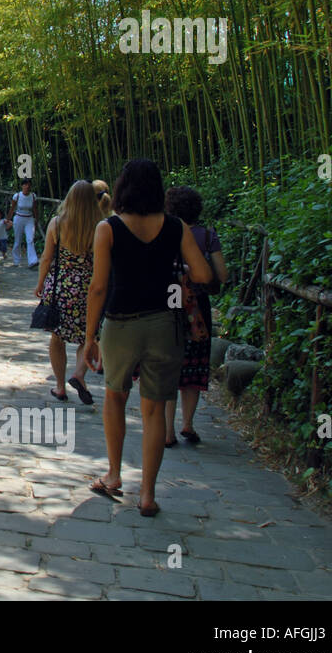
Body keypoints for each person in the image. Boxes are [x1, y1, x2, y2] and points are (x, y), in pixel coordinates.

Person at [83, 159, 213, 517]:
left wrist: (90, 336)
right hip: (164, 325)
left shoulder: (107, 229)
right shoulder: (176, 227)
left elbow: (97, 288)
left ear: (123, 188)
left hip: (121, 323)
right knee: (154, 408)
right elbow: (203, 273)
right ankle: (148, 495)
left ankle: (113, 475)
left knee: (115, 396)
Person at [163, 186, 229, 446]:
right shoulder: (208, 235)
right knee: (195, 363)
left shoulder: (163, 231)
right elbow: (222, 275)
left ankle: (167, 432)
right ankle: (187, 424)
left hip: (168, 300)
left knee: (168, 365)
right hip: (198, 306)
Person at [35, 180, 99, 404]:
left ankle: (60, 386)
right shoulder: (100, 226)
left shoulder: (57, 223)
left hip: (60, 287)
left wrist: (40, 283)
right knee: (89, 336)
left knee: (57, 336)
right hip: (88, 288)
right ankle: (79, 374)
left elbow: (46, 258)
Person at [6, 178, 38, 269]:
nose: (27, 187)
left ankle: (33, 261)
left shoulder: (33, 196)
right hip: (19, 218)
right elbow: (12, 208)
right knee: (18, 240)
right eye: (25, 185)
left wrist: (36, 220)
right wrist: (8, 219)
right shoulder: (17, 196)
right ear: (22, 186)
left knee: (30, 239)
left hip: (29, 219)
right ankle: (16, 260)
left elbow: (35, 209)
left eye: (28, 185)